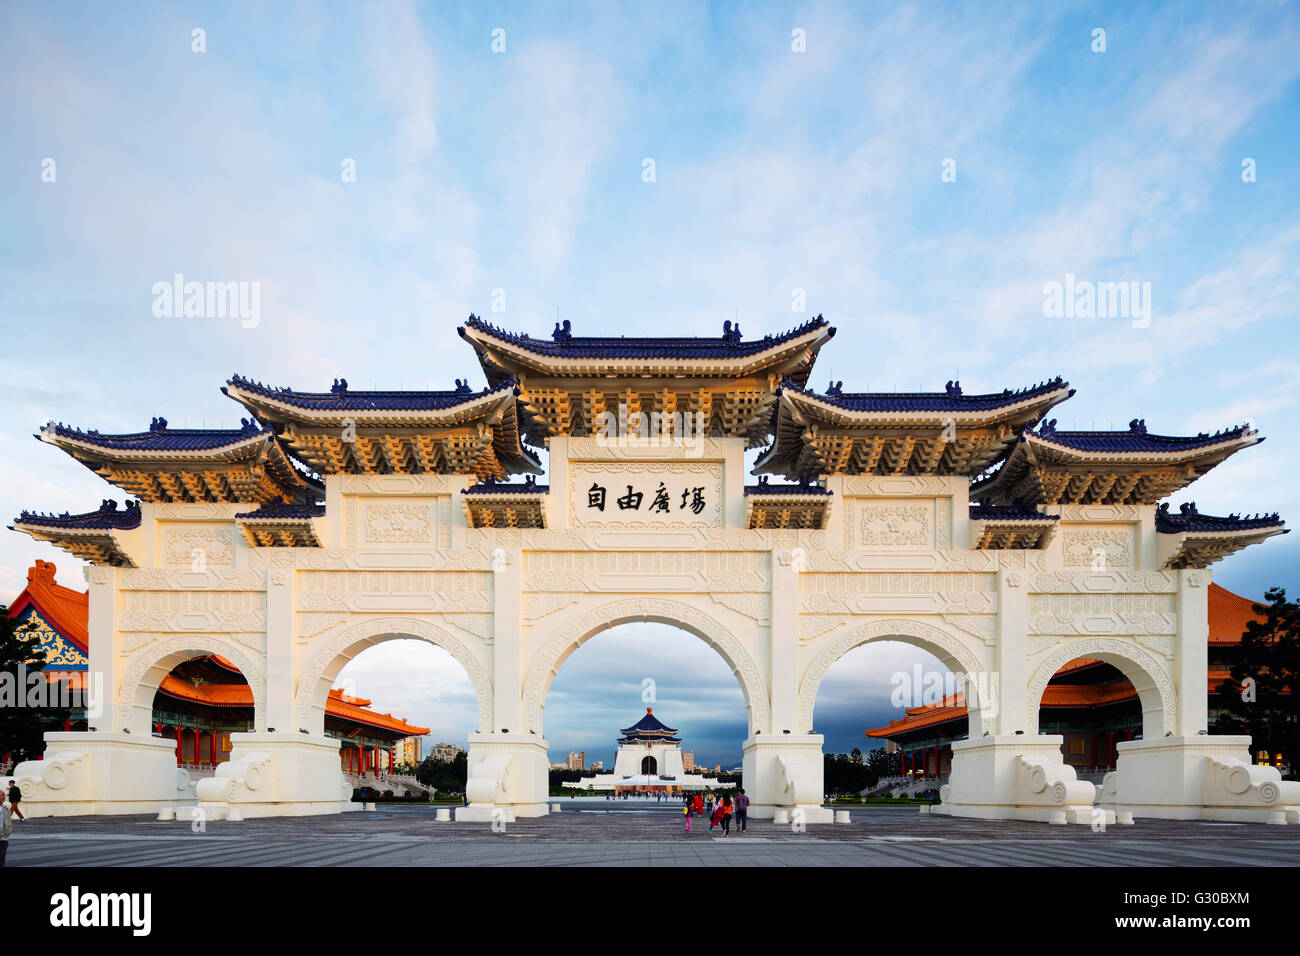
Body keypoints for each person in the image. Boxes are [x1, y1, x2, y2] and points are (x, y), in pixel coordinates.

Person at [0, 794, 10, 867]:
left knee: (2, 859)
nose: (4, 796)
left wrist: (7, 832)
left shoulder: (5, 808)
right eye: (2, 795)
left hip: (4, 838)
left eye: (4, 795)